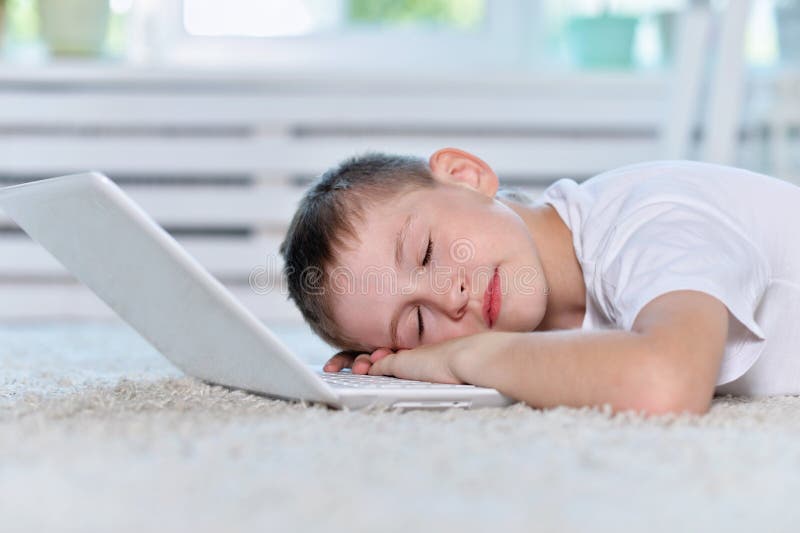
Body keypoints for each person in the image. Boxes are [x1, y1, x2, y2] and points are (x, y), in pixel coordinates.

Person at [278, 148, 800, 415]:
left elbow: (665, 384)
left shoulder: (649, 221)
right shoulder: (548, 320)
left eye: (428, 252)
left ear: (464, 174)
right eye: (415, 322)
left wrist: (463, 357)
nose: (449, 298)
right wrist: (404, 369)